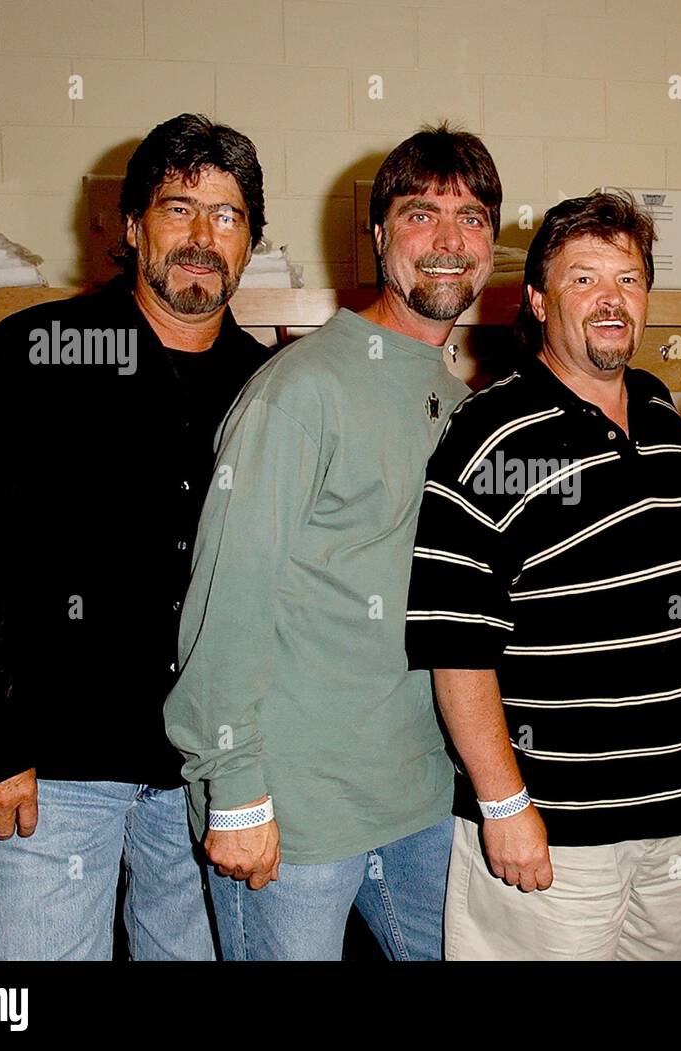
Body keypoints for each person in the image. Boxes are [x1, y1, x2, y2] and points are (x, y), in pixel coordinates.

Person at [0, 113, 272, 960]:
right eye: (179, 208)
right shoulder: (30, 357)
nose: (202, 236)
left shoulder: (268, 387)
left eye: (227, 216)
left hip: (201, 778)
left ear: (252, 243)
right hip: (50, 772)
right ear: (133, 225)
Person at [165, 123, 501, 961]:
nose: (449, 242)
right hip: (297, 810)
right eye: (422, 215)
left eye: (472, 219)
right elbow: (225, 598)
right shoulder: (303, 388)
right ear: (380, 235)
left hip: (420, 796)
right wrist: (234, 788)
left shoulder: (455, 399)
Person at [405, 191, 681, 960]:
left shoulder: (662, 417)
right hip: (556, 834)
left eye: (628, 279)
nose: (611, 299)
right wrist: (504, 802)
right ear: (538, 300)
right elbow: (457, 644)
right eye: (584, 279)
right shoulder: (489, 433)